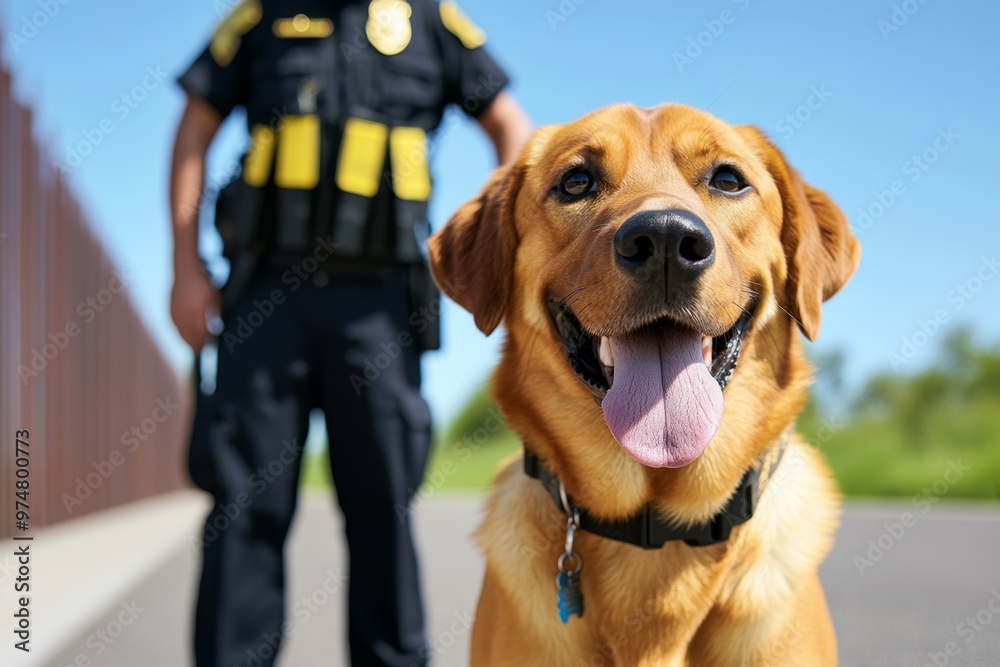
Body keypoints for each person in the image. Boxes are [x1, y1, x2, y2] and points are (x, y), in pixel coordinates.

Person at [168, 1, 531, 665]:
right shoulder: (259, 17)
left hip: (383, 306)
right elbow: (193, 132)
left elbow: (509, 123)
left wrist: (489, 236)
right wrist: (185, 267)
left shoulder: (429, 20)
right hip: (266, 297)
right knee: (244, 505)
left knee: (383, 506)